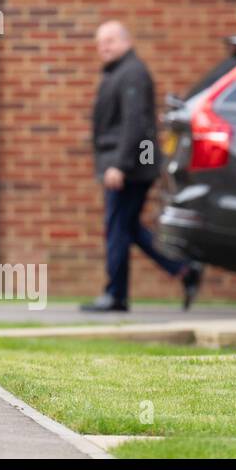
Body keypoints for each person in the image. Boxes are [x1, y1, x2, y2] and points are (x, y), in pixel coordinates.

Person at [83, 21, 202, 312]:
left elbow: (135, 125)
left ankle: (116, 295)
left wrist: (119, 166)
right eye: (100, 43)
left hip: (131, 167)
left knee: (117, 228)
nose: (103, 47)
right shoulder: (119, 73)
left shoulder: (132, 73)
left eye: (109, 41)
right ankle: (184, 269)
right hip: (131, 164)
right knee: (128, 227)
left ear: (126, 41)